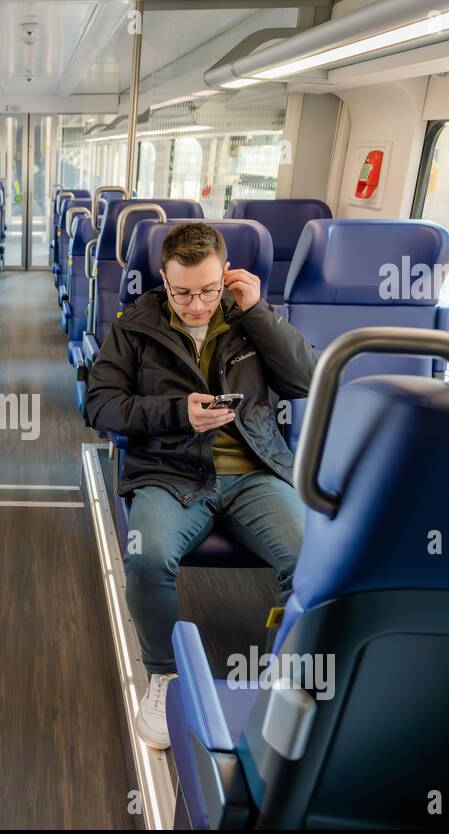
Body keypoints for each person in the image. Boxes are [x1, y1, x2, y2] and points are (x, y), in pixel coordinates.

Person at [84, 222, 317, 749]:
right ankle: (164, 676)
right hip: (170, 472)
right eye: (183, 292)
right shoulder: (135, 327)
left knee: (310, 559)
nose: (196, 304)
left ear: (227, 275)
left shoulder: (248, 317)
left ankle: (288, 678)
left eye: (209, 290)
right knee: (148, 557)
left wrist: (257, 312)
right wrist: (175, 414)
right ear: (163, 280)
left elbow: (307, 379)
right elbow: (97, 406)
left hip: (252, 470)